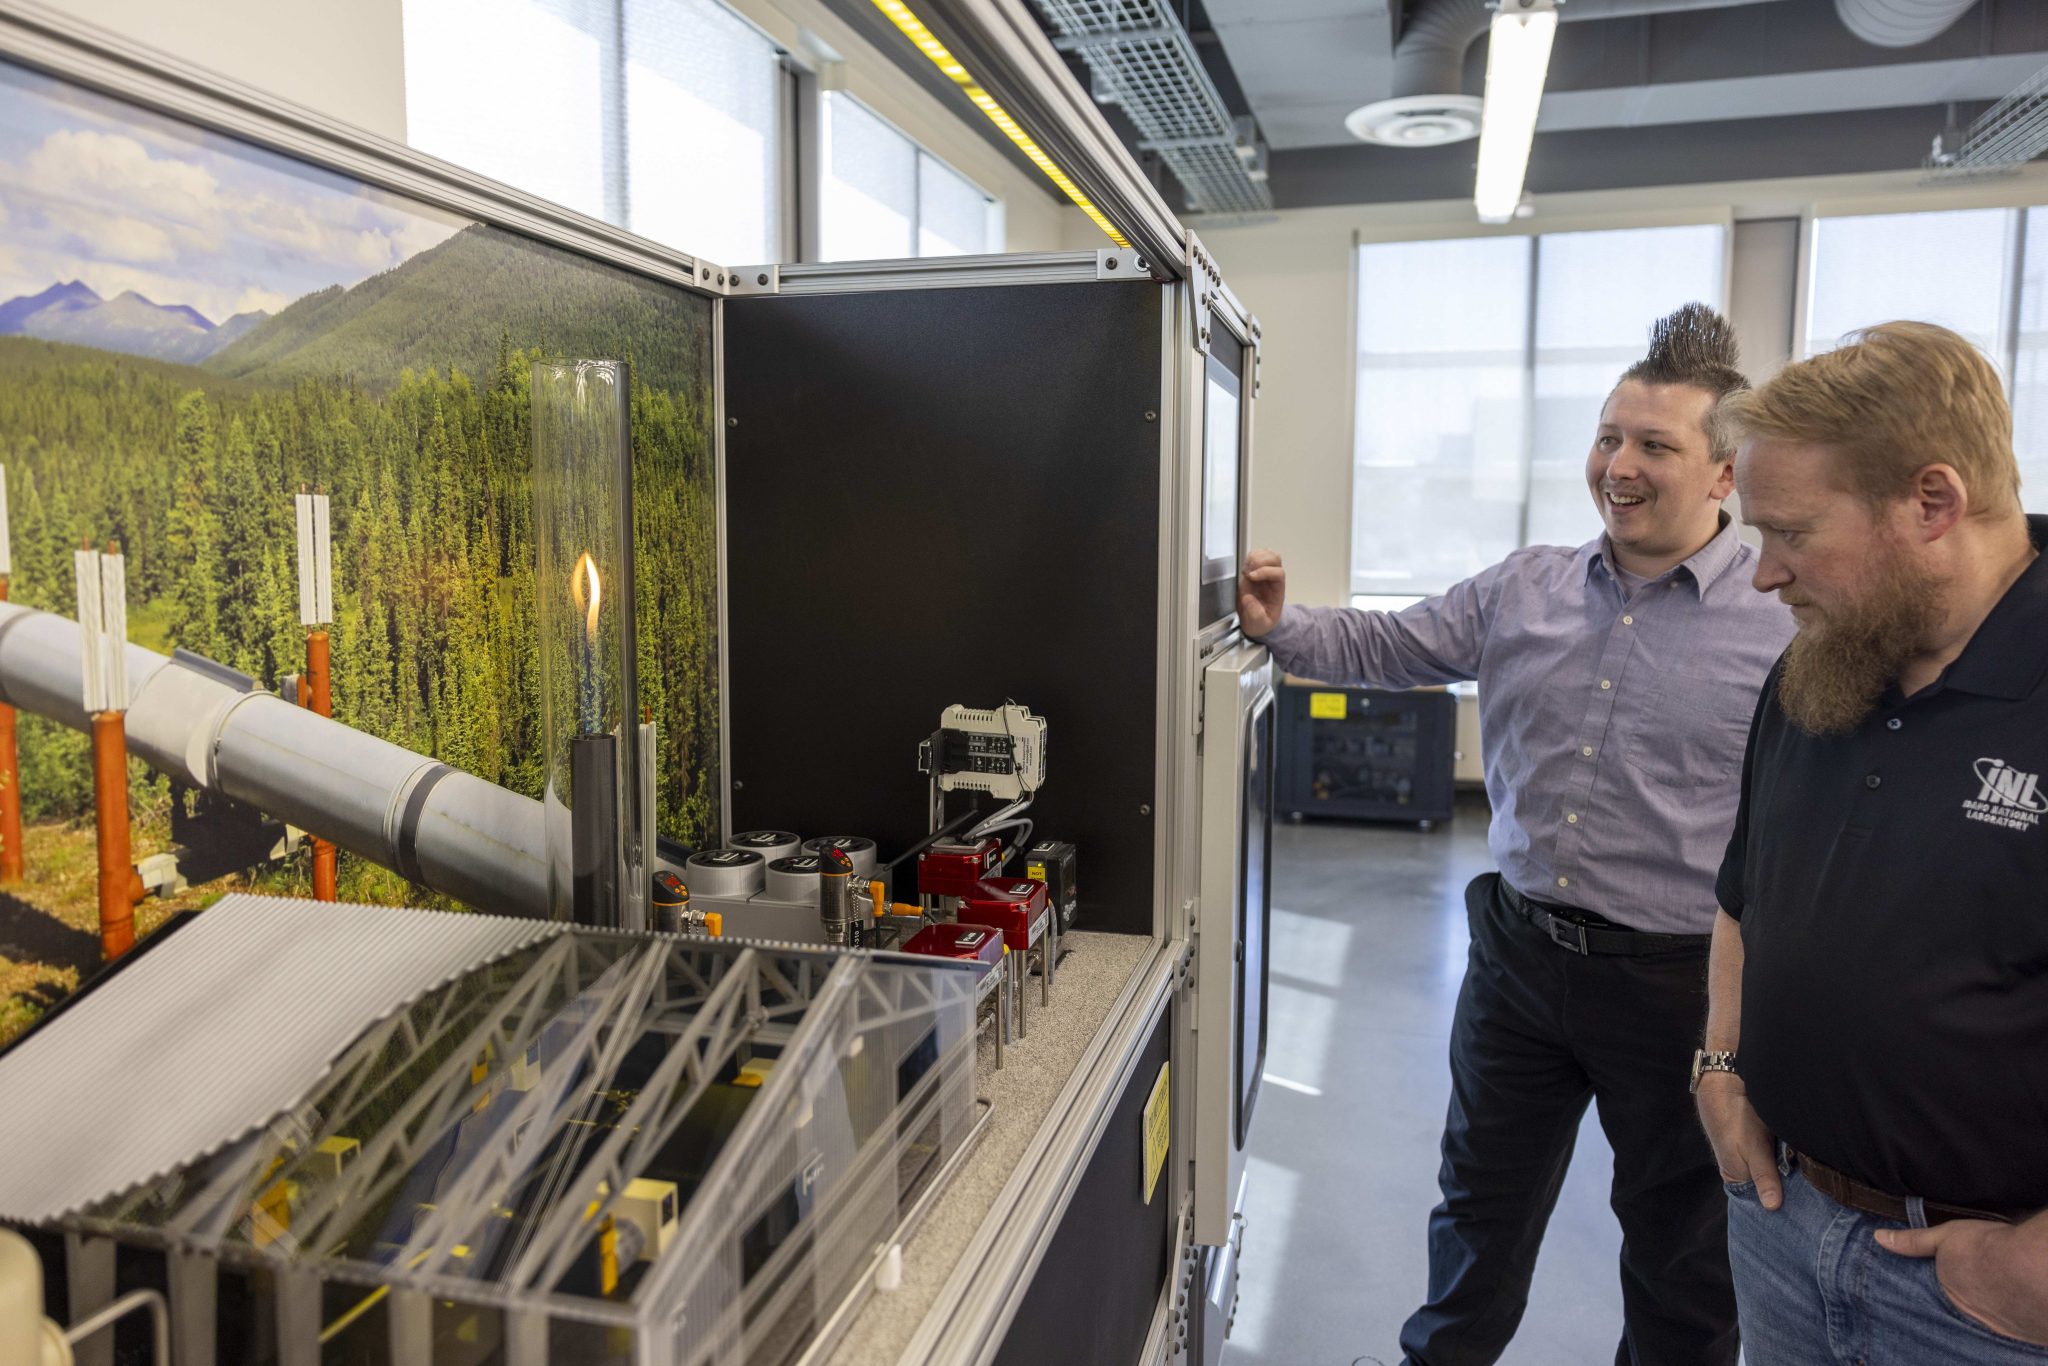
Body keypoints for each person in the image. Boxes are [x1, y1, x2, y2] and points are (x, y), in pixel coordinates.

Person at [1239, 303, 1792, 1366]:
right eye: (1606, 437)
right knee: (1475, 1215)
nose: (1616, 466)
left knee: (1679, 1259)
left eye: (1653, 447)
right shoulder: (1525, 586)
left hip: (1679, 986)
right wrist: (1279, 625)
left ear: (1723, 476)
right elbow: (1390, 643)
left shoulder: (1777, 621)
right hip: (1519, 962)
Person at [1699, 320, 2048, 1364]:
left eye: (1791, 533)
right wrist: (1718, 1063)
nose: (1763, 575)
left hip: (1976, 1296)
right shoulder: (1817, 670)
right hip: (1778, 1223)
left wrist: (2028, 1271)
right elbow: (1740, 896)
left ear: (1930, 503)